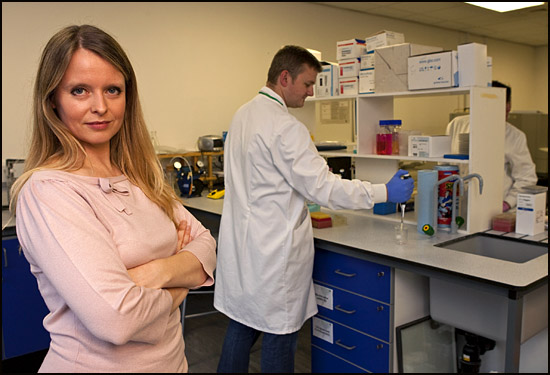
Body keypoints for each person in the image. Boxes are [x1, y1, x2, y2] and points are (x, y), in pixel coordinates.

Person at [9, 25, 217, 372]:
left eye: (113, 90)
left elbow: (206, 244)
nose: (101, 106)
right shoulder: (48, 191)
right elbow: (118, 320)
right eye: (79, 91)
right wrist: (181, 282)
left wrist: (153, 273)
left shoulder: (139, 177)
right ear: (53, 101)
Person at [213, 45, 413, 373]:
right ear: (284, 77)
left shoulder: (243, 114)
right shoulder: (286, 128)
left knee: (242, 324)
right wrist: (384, 191)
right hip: (274, 257)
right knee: (280, 336)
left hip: (244, 252)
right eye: (307, 84)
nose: (310, 92)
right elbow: (325, 188)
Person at [446, 80, 537, 211]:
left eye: (506, 108)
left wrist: (507, 203)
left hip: (496, 209)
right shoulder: (457, 124)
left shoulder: (514, 136)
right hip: (459, 206)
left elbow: (527, 178)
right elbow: (445, 165)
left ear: (508, 106)